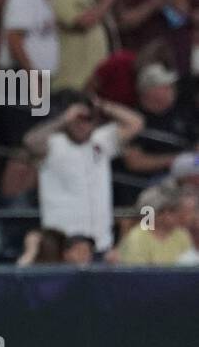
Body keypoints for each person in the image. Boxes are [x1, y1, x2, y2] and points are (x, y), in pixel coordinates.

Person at [24, 92, 144, 255]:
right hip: (62, 244)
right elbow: (30, 141)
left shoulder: (102, 140)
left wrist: (101, 105)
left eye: (88, 119)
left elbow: (136, 123)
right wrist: (64, 119)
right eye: (78, 120)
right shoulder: (53, 143)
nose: (82, 124)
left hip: (100, 242)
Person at [115, 184, 195, 265]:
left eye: (176, 209)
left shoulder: (182, 234)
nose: (178, 214)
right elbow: (137, 273)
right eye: (172, 210)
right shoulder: (138, 237)